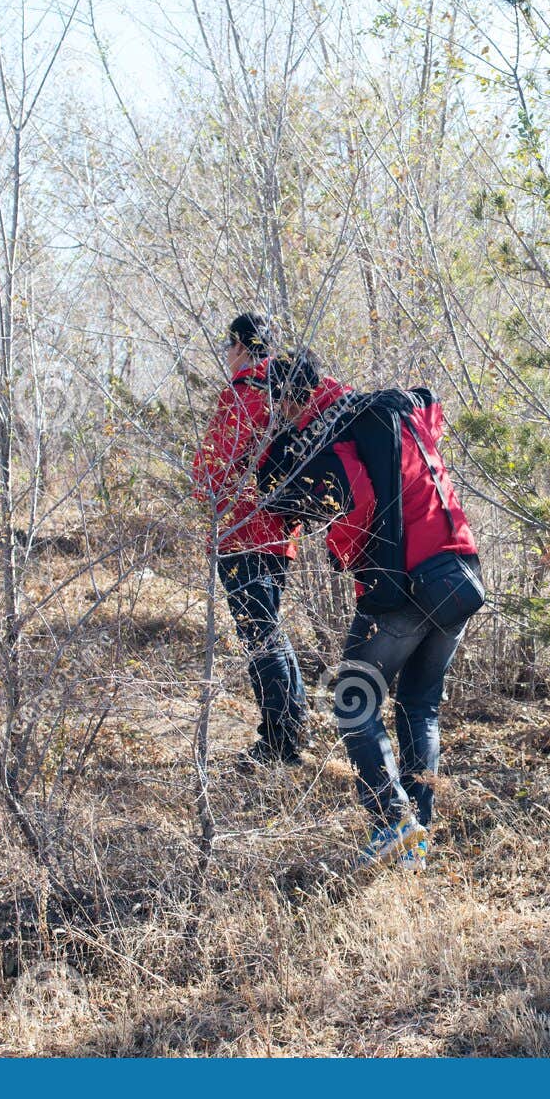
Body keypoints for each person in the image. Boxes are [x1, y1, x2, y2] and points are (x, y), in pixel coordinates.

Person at [260, 352, 484, 870]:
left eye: (280, 405)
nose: (280, 415)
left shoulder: (340, 436)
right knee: (418, 706)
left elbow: (343, 499)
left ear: (293, 398)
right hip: (460, 570)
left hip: (406, 586)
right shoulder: (393, 413)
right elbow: (432, 409)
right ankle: (416, 838)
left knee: (352, 702)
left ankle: (391, 821)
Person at [190, 313, 348, 767]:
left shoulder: (243, 393)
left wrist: (203, 488)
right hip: (280, 534)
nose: (227, 355)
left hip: (243, 534)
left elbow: (212, 471)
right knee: (270, 633)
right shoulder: (286, 386)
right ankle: (291, 731)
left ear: (240, 345)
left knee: (260, 637)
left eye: (228, 346)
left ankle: (280, 744)